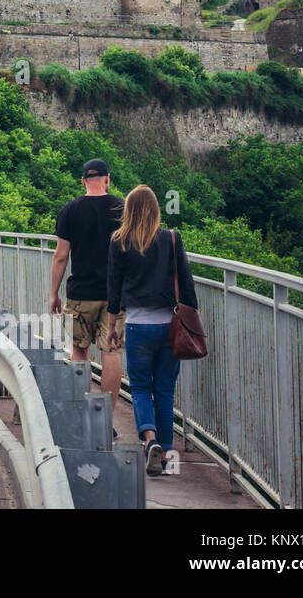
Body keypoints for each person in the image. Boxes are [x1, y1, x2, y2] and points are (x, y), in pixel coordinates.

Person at [106, 185, 198, 477]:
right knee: (165, 390)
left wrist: (111, 326)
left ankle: (149, 440)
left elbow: (114, 287)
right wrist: (193, 321)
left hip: (137, 325)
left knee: (141, 387)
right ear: (157, 210)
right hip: (170, 326)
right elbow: (186, 283)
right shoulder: (172, 239)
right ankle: (167, 453)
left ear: (128, 211)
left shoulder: (119, 241)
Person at [50, 159, 126, 419]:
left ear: (83, 181)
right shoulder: (122, 209)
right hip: (115, 295)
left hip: (80, 293)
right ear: (107, 178)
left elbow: (61, 256)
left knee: (78, 350)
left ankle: (82, 415)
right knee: (111, 352)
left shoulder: (70, 210)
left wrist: (53, 294)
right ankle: (105, 420)